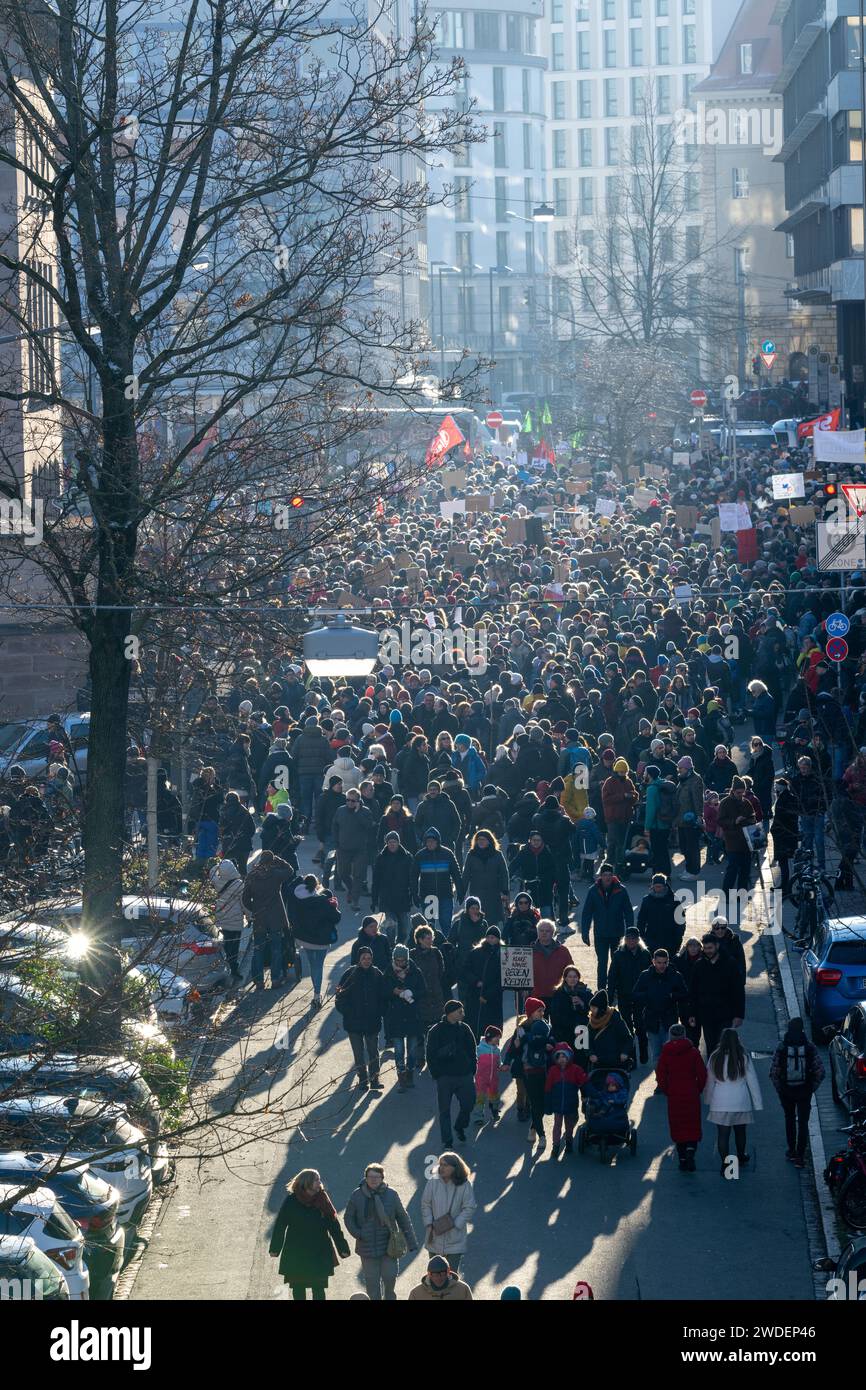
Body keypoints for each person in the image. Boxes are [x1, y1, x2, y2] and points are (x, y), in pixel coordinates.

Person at [268, 1169, 351, 1300]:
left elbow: (334, 1225)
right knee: (298, 1289)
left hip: (319, 1252)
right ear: (307, 1182)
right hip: (296, 1253)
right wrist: (275, 1248)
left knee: (318, 1289)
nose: (320, 1182)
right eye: (316, 1180)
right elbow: (280, 1225)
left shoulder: (323, 1199)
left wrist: (343, 1248)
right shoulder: (292, 1201)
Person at [344, 1164, 417, 1300]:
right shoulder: (357, 1195)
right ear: (365, 1178)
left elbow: (403, 1217)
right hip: (366, 1247)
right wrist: (358, 1234)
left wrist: (411, 1242)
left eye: (377, 1177)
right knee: (372, 1285)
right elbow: (348, 1218)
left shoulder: (392, 1195)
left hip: (389, 1246)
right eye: (370, 1176)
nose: (373, 1180)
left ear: (382, 1178)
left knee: (390, 1278)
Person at [704, 1028, 763, 1173]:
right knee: (740, 1132)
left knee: (723, 1135)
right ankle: (741, 1156)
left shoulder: (714, 1057)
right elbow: (752, 1082)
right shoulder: (743, 1057)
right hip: (740, 1102)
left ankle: (727, 1165)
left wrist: (707, 1099)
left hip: (720, 1103)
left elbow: (709, 1082)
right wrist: (757, 1103)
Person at [769, 1016, 825, 1168]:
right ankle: (800, 1155)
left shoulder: (782, 1047)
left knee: (789, 1118)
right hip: (804, 1091)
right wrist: (811, 1088)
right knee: (803, 1122)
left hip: (786, 1091)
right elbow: (821, 1071)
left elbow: (773, 1072)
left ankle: (791, 1150)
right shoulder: (809, 1047)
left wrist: (780, 1089)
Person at [655, 1023, 708, 1171]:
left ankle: (682, 1158)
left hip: (675, 1094)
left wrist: (667, 1090)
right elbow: (702, 1074)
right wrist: (698, 1089)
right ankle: (691, 1151)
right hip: (691, 1092)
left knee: (678, 1125)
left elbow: (660, 1075)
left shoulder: (666, 1053)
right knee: (692, 1124)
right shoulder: (693, 1052)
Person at [242, 850, 296, 991]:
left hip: (260, 917)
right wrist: (278, 859)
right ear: (271, 861)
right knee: (276, 948)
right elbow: (290, 870)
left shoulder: (252, 876)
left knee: (258, 949)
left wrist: (254, 910)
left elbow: (245, 899)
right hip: (276, 917)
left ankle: (259, 981)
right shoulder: (276, 875)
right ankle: (275, 978)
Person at [334, 946, 386, 1092]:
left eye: (369, 958)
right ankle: (362, 1080)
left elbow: (384, 997)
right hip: (353, 1023)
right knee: (358, 1053)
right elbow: (339, 997)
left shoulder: (377, 974)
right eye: (364, 958)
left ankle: (375, 1079)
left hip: (372, 1022)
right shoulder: (349, 974)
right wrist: (348, 1012)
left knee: (373, 1052)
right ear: (359, 959)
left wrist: (380, 1012)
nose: (367, 961)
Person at [425, 1000, 477, 1146]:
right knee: (444, 1111)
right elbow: (430, 1055)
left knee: (469, 1104)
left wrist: (472, 1068)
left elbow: (472, 1050)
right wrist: (437, 1074)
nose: (463, 1014)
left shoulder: (465, 1029)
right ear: (450, 1013)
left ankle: (460, 1126)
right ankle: (447, 1141)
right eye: (460, 1011)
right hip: (445, 1077)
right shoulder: (436, 1031)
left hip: (464, 1075)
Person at [687, 933, 745, 1059]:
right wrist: (692, 1013)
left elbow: (738, 991)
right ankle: (712, 1075)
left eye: (710, 948)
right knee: (711, 1047)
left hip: (725, 1014)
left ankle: (724, 1075)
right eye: (705, 948)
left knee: (724, 1047)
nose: (708, 951)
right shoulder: (699, 965)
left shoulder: (730, 964)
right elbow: (693, 992)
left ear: (717, 946)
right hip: (706, 1015)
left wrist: (739, 1015)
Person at [289, 873, 341, 1010]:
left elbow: (293, 917)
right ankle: (317, 995)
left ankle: (316, 994)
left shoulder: (298, 900)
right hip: (322, 940)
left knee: (313, 966)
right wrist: (334, 906)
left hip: (305, 939)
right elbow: (336, 918)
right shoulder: (324, 901)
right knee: (318, 965)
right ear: (316, 885)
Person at [581, 862, 635, 990]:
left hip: (617, 933)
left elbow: (628, 911)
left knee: (617, 962)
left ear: (613, 875)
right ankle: (601, 989)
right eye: (605, 875)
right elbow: (587, 913)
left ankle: (616, 988)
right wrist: (584, 932)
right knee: (602, 963)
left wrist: (630, 931)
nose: (607, 878)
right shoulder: (593, 891)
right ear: (600, 876)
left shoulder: (621, 890)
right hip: (600, 934)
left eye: (610, 875)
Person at [420, 1152, 476, 1273]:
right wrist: (429, 1223)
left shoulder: (465, 1185)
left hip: (455, 1239)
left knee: (452, 1276)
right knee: (435, 1274)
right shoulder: (433, 1182)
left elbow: (469, 1207)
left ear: (455, 1167)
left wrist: (456, 1224)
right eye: (440, 1164)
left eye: (445, 1165)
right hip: (435, 1235)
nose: (441, 1167)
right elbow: (425, 1204)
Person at [632, 949, 689, 1067]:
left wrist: (673, 996)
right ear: (653, 961)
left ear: (668, 962)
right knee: (656, 1053)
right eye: (659, 962)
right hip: (652, 1020)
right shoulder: (645, 975)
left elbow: (685, 994)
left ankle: (669, 1080)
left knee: (670, 1053)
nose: (662, 965)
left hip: (669, 1019)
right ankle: (661, 1080)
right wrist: (648, 995)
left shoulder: (675, 976)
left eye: (664, 962)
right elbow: (635, 994)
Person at [510, 996, 553, 1149]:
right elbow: (512, 1051)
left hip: (545, 1071)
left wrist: (550, 1046)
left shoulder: (545, 1027)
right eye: (539, 1011)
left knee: (540, 1103)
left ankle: (534, 1127)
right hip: (528, 1072)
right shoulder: (521, 1030)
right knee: (535, 1103)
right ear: (530, 1013)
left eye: (543, 1011)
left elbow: (553, 1042)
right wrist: (516, 1046)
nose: (542, 1013)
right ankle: (542, 1136)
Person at [383, 944, 426, 1091]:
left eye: (403, 960)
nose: (400, 963)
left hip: (412, 1016)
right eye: (398, 960)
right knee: (399, 1050)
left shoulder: (415, 972)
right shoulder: (388, 972)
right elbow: (382, 992)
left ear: (407, 959)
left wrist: (411, 992)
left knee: (412, 1049)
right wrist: (393, 991)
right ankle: (401, 1077)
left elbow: (423, 990)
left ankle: (410, 1074)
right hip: (395, 1017)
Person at [606, 926, 651, 1064]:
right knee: (627, 1029)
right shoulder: (618, 955)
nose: (631, 941)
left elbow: (650, 975)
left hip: (640, 997)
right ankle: (632, 1059)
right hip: (624, 995)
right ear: (625, 939)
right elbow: (612, 976)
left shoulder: (645, 954)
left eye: (633, 938)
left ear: (638, 940)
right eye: (628, 938)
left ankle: (643, 1055)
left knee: (641, 1027)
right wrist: (610, 995)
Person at [413, 828, 464, 937]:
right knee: (429, 926)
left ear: (438, 841)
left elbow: (456, 873)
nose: (430, 843)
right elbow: (413, 877)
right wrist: (414, 894)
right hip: (428, 897)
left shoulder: (447, 854)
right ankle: (431, 949)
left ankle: (447, 947)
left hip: (445, 896)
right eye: (428, 841)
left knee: (446, 924)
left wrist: (460, 891)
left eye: (433, 841)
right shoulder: (420, 856)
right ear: (425, 842)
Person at [718, 777, 757, 919]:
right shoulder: (725, 803)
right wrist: (734, 821)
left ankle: (742, 894)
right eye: (739, 792)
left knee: (745, 870)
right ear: (733, 791)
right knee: (732, 869)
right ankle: (726, 895)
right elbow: (720, 821)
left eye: (743, 792)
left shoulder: (746, 803)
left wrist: (747, 820)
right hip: (732, 841)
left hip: (746, 841)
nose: (741, 795)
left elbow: (753, 818)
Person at [332, 788, 377, 912]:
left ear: (358, 801)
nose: (350, 803)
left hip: (360, 849)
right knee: (342, 873)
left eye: (353, 801)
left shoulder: (365, 811)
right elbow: (334, 826)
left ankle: (355, 901)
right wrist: (336, 843)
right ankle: (352, 890)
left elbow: (368, 826)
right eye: (348, 800)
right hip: (343, 848)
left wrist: (357, 812)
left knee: (358, 875)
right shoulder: (340, 810)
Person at [410, 923, 447, 1064]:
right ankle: (420, 1058)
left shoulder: (436, 952)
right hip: (420, 997)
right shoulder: (412, 954)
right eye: (427, 938)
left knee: (437, 1030)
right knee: (420, 1030)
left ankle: (435, 1057)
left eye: (431, 937)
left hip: (436, 996)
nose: (430, 940)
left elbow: (441, 971)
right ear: (419, 939)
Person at [544, 1041, 588, 1157]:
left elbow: (584, 1082)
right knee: (557, 1125)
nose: (562, 1059)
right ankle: (556, 1146)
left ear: (569, 1056)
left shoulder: (575, 1069)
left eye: (564, 1056)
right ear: (556, 1059)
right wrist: (548, 1104)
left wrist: (588, 1090)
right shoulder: (553, 1071)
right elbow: (548, 1088)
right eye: (559, 1057)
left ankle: (569, 1142)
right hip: (557, 1104)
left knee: (569, 1126)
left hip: (571, 1104)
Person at [370, 830, 414, 944]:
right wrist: (374, 899)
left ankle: (399, 945)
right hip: (387, 899)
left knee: (404, 930)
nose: (392, 844)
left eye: (394, 842)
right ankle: (391, 947)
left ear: (398, 842)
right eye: (390, 842)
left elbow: (413, 879)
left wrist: (415, 895)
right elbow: (376, 880)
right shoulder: (381, 858)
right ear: (386, 843)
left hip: (403, 898)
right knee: (391, 928)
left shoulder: (407, 857)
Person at [462, 925, 505, 1037]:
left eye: (493, 937)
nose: (491, 939)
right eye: (489, 937)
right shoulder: (476, 952)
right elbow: (466, 970)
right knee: (474, 1025)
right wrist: (476, 981)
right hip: (475, 994)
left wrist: (489, 992)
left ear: (498, 939)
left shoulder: (504, 954)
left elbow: (504, 978)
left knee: (492, 1028)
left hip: (493, 997)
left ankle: (491, 1052)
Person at [462, 830, 510, 927]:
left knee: (492, 920)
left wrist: (505, 891)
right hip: (477, 892)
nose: (481, 841)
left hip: (493, 893)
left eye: (483, 839)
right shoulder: (471, 855)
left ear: (489, 841)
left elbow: (504, 874)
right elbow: (466, 874)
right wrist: (462, 891)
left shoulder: (497, 855)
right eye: (478, 839)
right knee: (476, 917)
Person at [210, 858, 246, 983]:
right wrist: (249, 915)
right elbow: (243, 903)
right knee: (234, 944)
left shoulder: (218, 882)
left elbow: (212, 872)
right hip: (235, 919)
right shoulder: (240, 884)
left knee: (225, 941)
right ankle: (234, 968)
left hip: (222, 916)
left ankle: (227, 964)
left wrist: (217, 865)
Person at [601, 757, 639, 874]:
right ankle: (610, 865)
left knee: (621, 843)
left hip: (625, 817)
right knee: (614, 842)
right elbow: (606, 799)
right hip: (612, 818)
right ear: (616, 771)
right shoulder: (609, 782)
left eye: (625, 772)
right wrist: (623, 796)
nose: (623, 774)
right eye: (621, 772)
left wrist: (631, 796)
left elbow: (635, 795)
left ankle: (618, 866)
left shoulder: (628, 781)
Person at [547, 965, 593, 1058]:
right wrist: (573, 1027)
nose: (572, 979)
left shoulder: (586, 993)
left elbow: (592, 1012)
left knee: (581, 1057)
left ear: (578, 978)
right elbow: (555, 1016)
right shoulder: (558, 994)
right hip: (564, 1031)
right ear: (565, 978)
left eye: (575, 977)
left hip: (581, 1030)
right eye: (570, 977)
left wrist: (582, 1004)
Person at [530, 918, 574, 1012]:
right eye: (541, 930)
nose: (544, 933)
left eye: (547, 931)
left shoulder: (563, 951)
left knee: (558, 1025)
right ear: (537, 932)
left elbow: (571, 972)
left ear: (553, 933)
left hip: (558, 996)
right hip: (536, 996)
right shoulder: (529, 951)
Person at [636, 874, 683, 958]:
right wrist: (642, 937)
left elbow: (681, 922)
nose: (658, 889)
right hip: (651, 939)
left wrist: (678, 939)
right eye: (656, 886)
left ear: (664, 886)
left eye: (660, 886)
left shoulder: (674, 900)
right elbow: (641, 920)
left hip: (670, 939)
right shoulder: (646, 900)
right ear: (652, 886)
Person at [587, 989, 634, 1069]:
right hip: (599, 1063)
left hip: (616, 1062)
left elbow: (628, 1038)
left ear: (601, 1008)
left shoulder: (615, 1018)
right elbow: (587, 1041)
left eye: (594, 1008)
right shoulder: (591, 1022)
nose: (591, 1010)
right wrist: (591, 1054)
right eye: (591, 1008)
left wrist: (624, 1053)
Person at [674, 756, 704, 878]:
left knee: (692, 847)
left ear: (687, 768)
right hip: (681, 819)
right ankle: (688, 868)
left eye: (681, 768)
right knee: (684, 846)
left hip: (690, 820)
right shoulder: (683, 779)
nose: (679, 770)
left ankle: (693, 871)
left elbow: (697, 800)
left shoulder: (695, 780)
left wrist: (699, 816)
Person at [769, 775, 799, 898]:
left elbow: (781, 818)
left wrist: (774, 828)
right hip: (787, 834)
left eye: (776, 788)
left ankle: (785, 886)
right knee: (785, 861)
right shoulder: (788, 798)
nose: (775, 790)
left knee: (783, 860)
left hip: (783, 834)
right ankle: (785, 885)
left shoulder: (784, 799)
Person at [407, 1254, 474, 1301]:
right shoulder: (416, 1293)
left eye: (442, 1274)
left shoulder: (463, 1289)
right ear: (429, 1274)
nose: (438, 1278)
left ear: (448, 1272)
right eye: (435, 1274)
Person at [473, 1024, 504, 1124]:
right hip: (481, 1078)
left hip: (493, 1079)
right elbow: (474, 1061)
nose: (498, 1040)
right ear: (490, 1037)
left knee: (494, 1097)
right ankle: (478, 1117)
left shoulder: (497, 1051)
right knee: (480, 1098)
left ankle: (494, 1110)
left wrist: (502, 1066)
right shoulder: (479, 1049)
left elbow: (499, 1062)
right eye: (497, 1038)